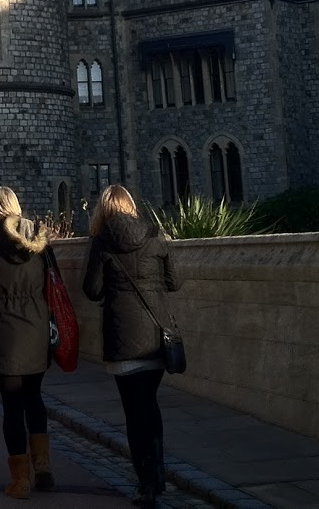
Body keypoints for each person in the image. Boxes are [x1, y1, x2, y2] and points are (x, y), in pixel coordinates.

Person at [82, 184, 183, 508]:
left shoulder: (102, 240)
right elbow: (174, 282)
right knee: (150, 410)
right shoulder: (155, 233)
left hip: (123, 337)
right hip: (155, 336)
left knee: (134, 414)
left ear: (104, 210)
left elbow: (92, 290)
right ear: (131, 206)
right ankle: (157, 478)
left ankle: (146, 485)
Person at [0, 186, 54, 497]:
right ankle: (44, 468)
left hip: (5, 330)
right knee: (35, 398)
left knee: (12, 408)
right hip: (37, 329)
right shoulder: (39, 237)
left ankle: (21, 479)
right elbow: (53, 281)